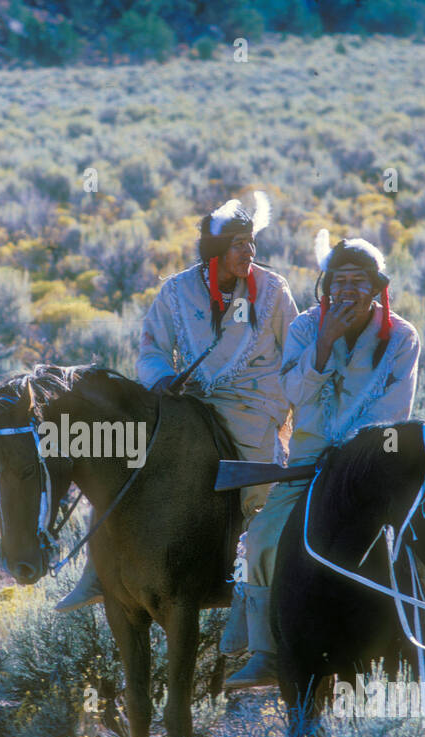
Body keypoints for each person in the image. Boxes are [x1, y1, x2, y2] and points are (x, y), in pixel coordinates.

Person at [228, 230, 425, 689]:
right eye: (337, 281)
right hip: (308, 460)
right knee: (262, 538)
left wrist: (349, 453)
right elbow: (292, 393)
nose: (346, 290)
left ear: (377, 287)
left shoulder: (402, 337)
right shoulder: (305, 328)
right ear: (325, 287)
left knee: (421, 533)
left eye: (357, 281)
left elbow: (394, 410)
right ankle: (264, 650)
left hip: (374, 460)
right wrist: (324, 345)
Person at [56, 193, 298, 659]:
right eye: (238, 244)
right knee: (125, 464)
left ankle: (246, 611)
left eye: (251, 243)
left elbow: (294, 356)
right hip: (187, 401)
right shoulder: (177, 291)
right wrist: (161, 378)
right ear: (215, 251)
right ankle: (98, 572)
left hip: (253, 408)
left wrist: (283, 405)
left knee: (257, 496)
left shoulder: (274, 290)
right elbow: (150, 348)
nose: (249, 252)